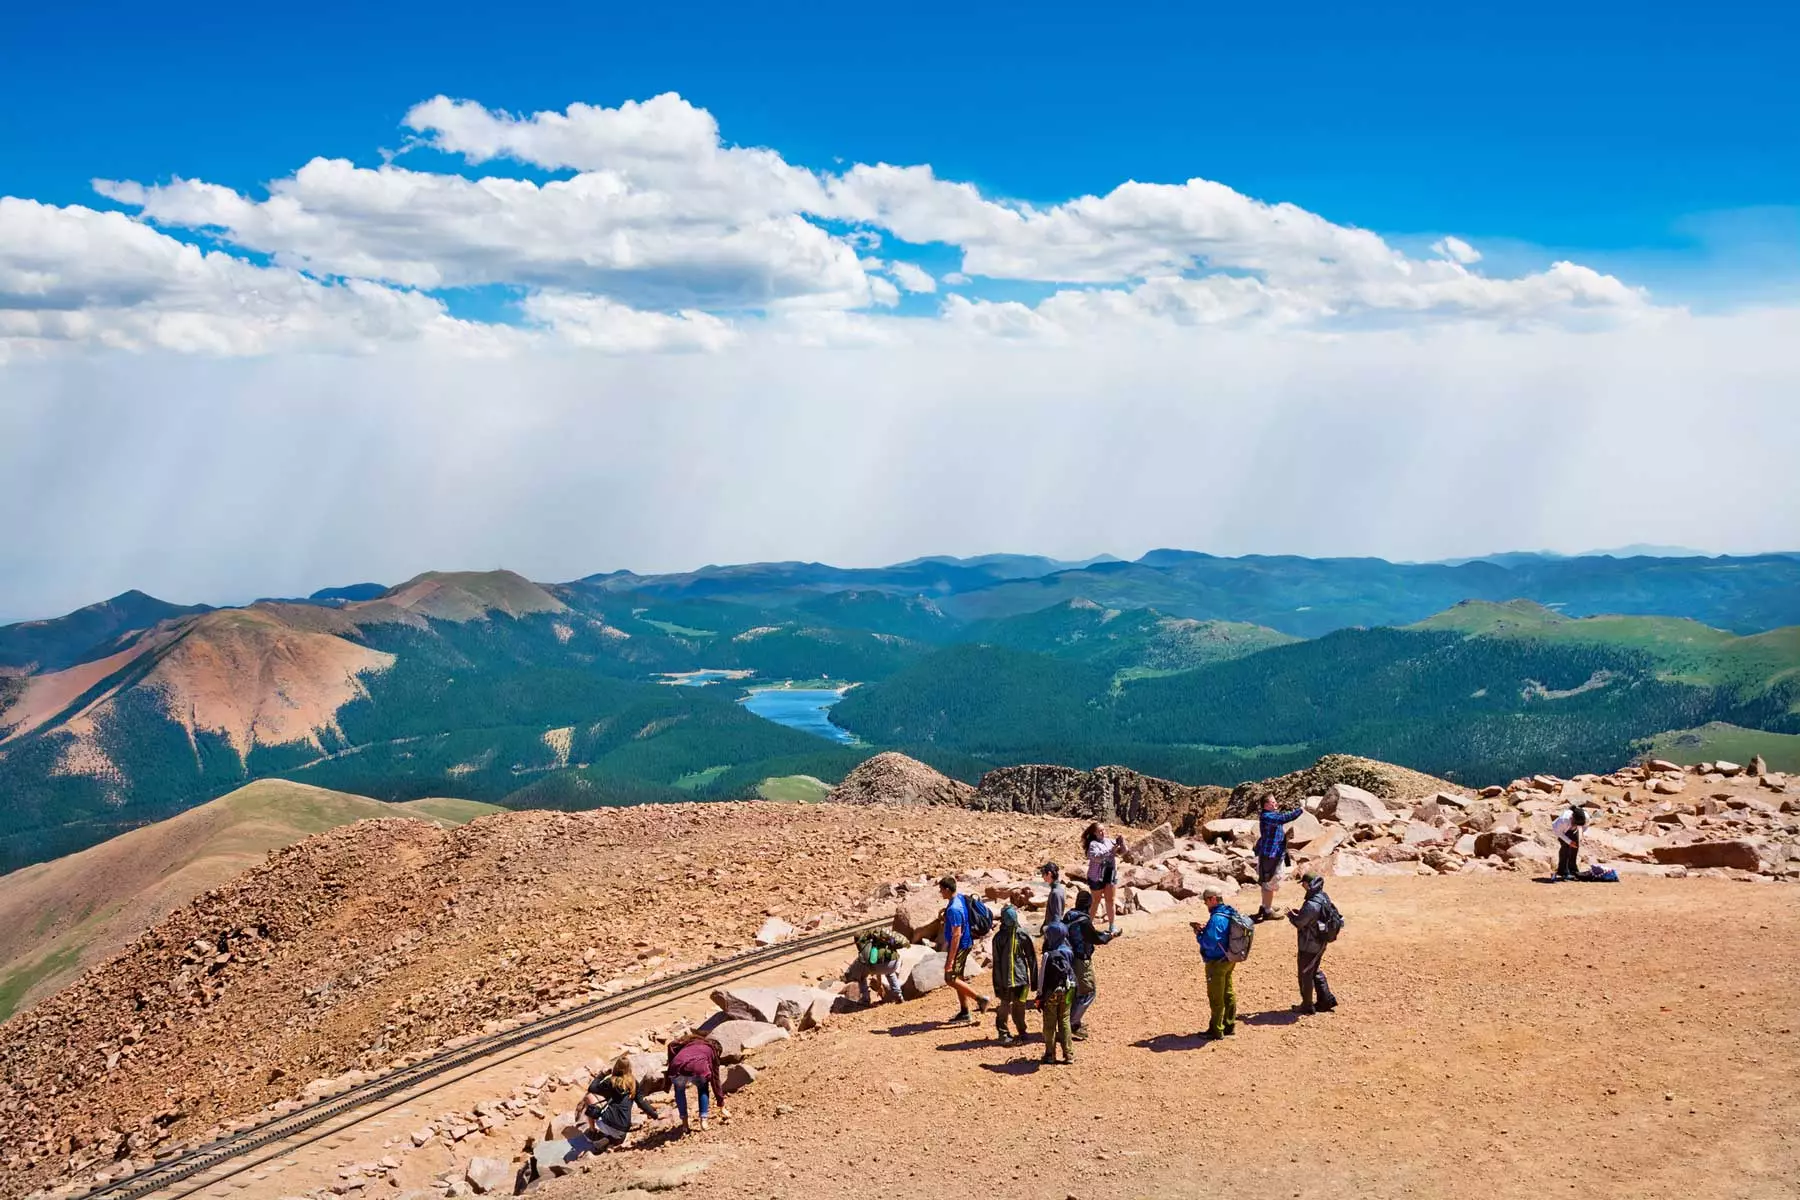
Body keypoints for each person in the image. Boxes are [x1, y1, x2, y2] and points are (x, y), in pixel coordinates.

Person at [1061, 889, 1118, 1041]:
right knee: (1088, 992)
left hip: (1068, 958)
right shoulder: (1084, 920)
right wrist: (1109, 936)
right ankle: (1072, 1023)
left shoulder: (1069, 916)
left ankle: (1069, 1021)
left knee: (1073, 991)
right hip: (1081, 961)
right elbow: (1094, 938)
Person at [938, 875, 993, 1026]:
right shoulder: (959, 898)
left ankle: (980, 999)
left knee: (950, 978)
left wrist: (950, 960)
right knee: (958, 978)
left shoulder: (954, 909)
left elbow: (956, 934)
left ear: (948, 890)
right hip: (965, 942)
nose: (940, 893)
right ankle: (964, 1011)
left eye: (941, 890)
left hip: (960, 946)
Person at [580, 1055, 662, 1149]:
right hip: (623, 1129)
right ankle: (611, 1138)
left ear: (615, 1067)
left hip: (607, 1125)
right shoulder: (634, 1083)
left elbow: (592, 1088)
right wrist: (656, 1116)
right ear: (629, 1068)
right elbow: (641, 1103)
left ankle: (593, 1131)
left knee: (588, 1097)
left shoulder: (611, 1081)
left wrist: (602, 1074)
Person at [1286, 871, 1340, 1014]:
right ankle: (1325, 1000)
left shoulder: (1311, 904)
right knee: (1314, 971)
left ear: (1309, 884)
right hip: (1320, 941)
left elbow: (1300, 922)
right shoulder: (1323, 897)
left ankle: (1307, 1006)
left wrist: (1291, 916)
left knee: (1305, 974)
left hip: (1309, 945)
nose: (1302, 886)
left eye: (1304, 883)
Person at [1190, 888, 1240, 1041]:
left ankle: (1216, 1030)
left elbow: (1209, 942)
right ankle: (1229, 1025)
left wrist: (1199, 933)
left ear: (1212, 899)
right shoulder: (1229, 912)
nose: (1205, 904)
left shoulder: (1217, 918)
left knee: (1216, 997)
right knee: (1228, 992)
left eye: (1206, 901)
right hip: (1229, 959)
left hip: (1216, 962)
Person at [989, 904, 1038, 1045]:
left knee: (1019, 1007)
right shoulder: (999, 938)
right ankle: (1003, 1033)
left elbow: (1031, 958)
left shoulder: (1021, 935)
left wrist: (1034, 981)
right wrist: (997, 983)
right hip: (1006, 980)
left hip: (1021, 980)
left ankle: (1022, 1031)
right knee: (1005, 1007)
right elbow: (997, 962)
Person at [664, 1032, 730, 1132]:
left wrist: (672, 1062)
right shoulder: (711, 1050)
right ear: (717, 1050)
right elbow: (715, 1080)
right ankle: (703, 1121)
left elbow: (671, 1044)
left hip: (676, 1066)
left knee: (679, 1090)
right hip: (698, 1067)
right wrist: (721, 1104)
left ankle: (685, 1124)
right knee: (703, 1089)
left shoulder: (689, 1043)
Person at [1253, 796, 1305, 922]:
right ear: (1266, 805)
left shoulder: (1270, 815)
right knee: (1272, 881)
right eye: (1273, 802)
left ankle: (1266, 906)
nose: (1276, 803)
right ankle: (1267, 911)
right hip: (1271, 854)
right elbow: (1283, 818)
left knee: (1268, 881)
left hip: (1273, 853)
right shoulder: (1267, 816)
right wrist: (1301, 809)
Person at [1037, 920, 1077, 1064]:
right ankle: (1069, 1054)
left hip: (1052, 993)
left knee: (1050, 1023)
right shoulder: (1069, 951)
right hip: (1068, 990)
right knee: (1065, 1020)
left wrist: (1040, 996)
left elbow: (1042, 977)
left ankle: (1050, 1055)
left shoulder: (1048, 955)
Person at [1082, 823, 1126, 934]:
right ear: (1094, 833)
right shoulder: (1093, 844)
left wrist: (1122, 842)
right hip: (1096, 876)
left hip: (1110, 874)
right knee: (1096, 901)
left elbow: (1123, 852)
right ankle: (1088, 926)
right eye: (1100, 831)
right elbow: (1096, 858)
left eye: (1103, 830)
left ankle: (1112, 926)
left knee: (1110, 900)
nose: (1103, 833)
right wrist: (1111, 850)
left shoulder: (1109, 841)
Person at [851, 927, 909, 1005]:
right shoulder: (882, 939)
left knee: (861, 976)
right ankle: (899, 997)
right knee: (890, 974)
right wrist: (879, 983)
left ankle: (865, 1000)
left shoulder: (863, 943)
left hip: (876, 966)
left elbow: (869, 962)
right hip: (893, 964)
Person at [1551, 802, 1589, 881]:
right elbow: (1558, 832)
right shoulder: (1563, 819)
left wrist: (1584, 835)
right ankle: (1563, 871)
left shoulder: (1586, 817)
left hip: (1573, 831)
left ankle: (1573, 871)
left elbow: (1585, 827)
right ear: (1572, 817)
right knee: (1565, 849)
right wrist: (1569, 841)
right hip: (1563, 832)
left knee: (1575, 848)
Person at [1039, 862, 1068, 934]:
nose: (1042, 877)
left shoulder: (1056, 892)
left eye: (1043, 874)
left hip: (1053, 931)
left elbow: (1057, 916)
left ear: (1049, 874)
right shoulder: (1058, 888)